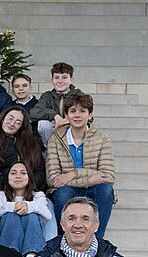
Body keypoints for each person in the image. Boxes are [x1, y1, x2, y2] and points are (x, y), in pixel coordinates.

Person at [46, 94, 115, 239]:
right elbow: (53, 179)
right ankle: (65, 239)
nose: (77, 115)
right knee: (62, 193)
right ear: (66, 115)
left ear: (90, 115)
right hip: (68, 189)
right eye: (72, 111)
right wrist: (89, 178)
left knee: (106, 190)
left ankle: (96, 240)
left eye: (82, 111)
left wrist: (73, 174)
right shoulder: (56, 138)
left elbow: (108, 176)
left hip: (93, 188)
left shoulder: (101, 138)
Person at [0, 162, 52, 257]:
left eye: (23, 173)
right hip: (8, 247)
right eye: (13, 173)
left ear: (29, 177)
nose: (18, 176)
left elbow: (48, 215)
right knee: (11, 216)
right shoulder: (0, 195)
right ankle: (12, 256)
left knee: (32, 216)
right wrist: (13, 207)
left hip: (31, 245)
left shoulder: (38, 196)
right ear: (7, 178)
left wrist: (28, 207)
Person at [0, 106, 46, 192]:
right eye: (10, 119)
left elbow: (40, 171)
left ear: (22, 126)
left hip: (30, 192)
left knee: (48, 205)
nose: (12, 124)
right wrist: (7, 188)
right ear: (2, 119)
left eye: (18, 122)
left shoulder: (33, 144)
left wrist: (27, 188)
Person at [32, 62, 84, 147]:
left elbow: (89, 117)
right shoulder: (47, 96)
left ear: (71, 79)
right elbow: (34, 112)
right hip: (53, 131)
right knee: (43, 124)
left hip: (73, 130)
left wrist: (69, 120)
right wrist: (55, 116)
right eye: (56, 78)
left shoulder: (79, 95)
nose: (60, 81)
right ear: (52, 80)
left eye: (64, 77)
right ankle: (50, 151)